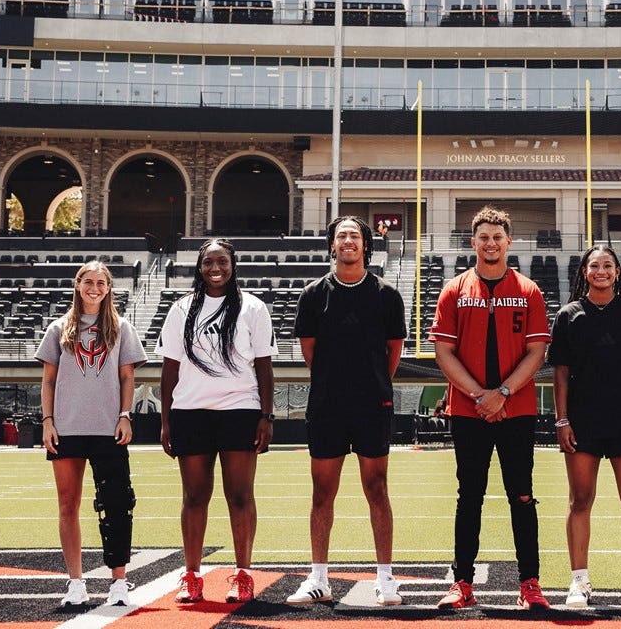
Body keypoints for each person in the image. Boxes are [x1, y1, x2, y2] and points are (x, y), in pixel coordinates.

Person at [430, 206, 551, 610]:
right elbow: (443, 352)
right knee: (470, 497)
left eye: (497, 237)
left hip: (517, 410)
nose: (490, 243)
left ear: (509, 242)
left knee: (522, 496)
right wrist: (481, 396)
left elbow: (537, 352)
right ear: (473, 242)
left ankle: (530, 583)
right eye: (483, 237)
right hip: (469, 412)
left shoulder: (529, 289)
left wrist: (502, 392)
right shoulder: (454, 289)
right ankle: (462, 582)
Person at [287, 216, 407, 606]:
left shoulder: (387, 294)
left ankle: (386, 578)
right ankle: (319, 576)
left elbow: (393, 352)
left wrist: (370, 385)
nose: (349, 241)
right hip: (327, 405)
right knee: (322, 491)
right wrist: (335, 383)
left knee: (377, 488)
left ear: (365, 245)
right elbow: (310, 354)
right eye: (342, 236)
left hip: (372, 404)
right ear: (332, 246)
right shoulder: (312, 294)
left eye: (355, 235)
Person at [159, 239, 275, 605]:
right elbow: (169, 368)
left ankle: (243, 575)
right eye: (208, 261)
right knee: (194, 497)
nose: (215, 268)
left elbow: (264, 365)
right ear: (199, 266)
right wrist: (166, 422)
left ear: (233, 265)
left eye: (222, 261)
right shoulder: (181, 309)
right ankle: (192, 576)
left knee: (240, 496)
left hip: (240, 410)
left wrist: (266, 416)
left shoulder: (253, 308)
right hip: (191, 413)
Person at [549, 243, 621, 609]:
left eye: (607, 265)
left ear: (617, 272)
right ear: (584, 272)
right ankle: (579, 581)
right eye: (593, 265)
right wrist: (562, 419)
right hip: (583, 421)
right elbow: (560, 374)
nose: (600, 270)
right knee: (580, 499)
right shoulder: (569, 315)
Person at [38, 260, 144, 608]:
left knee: (116, 504)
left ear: (109, 288)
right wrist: (48, 421)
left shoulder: (121, 327)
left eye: (101, 282)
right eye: (88, 282)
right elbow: (49, 380)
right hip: (66, 428)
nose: (94, 288)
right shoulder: (58, 328)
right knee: (68, 505)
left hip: (108, 428)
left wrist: (125, 415)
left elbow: (128, 377)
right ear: (78, 284)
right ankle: (76, 583)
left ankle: (118, 582)